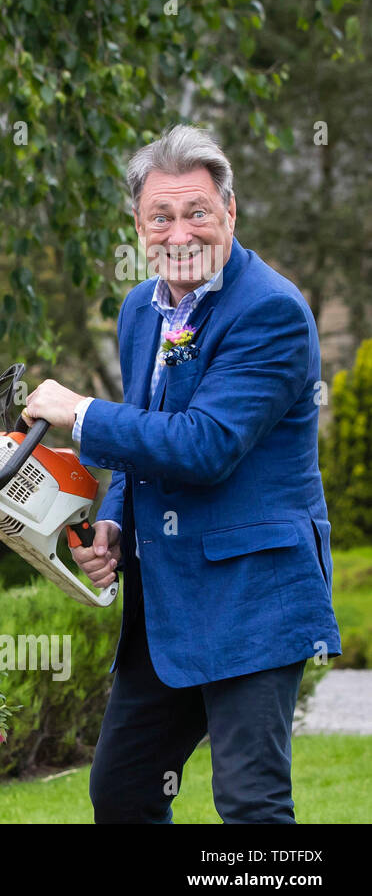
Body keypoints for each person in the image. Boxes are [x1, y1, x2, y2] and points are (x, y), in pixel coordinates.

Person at [22, 124, 341, 823]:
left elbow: (204, 445)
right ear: (137, 227)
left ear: (230, 212)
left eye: (197, 211)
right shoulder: (141, 308)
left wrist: (82, 412)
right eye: (160, 216)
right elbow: (147, 440)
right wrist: (113, 518)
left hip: (255, 596)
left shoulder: (272, 312)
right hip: (165, 609)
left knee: (251, 804)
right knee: (124, 792)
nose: (180, 232)